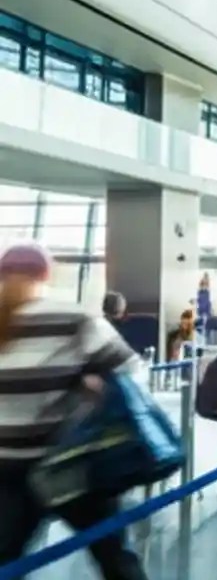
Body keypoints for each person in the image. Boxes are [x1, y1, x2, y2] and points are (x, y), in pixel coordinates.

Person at [0, 243, 148, 580]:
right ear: (46, 273)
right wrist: (90, 386)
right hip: (65, 464)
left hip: (5, 469)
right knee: (115, 558)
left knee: (6, 560)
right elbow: (132, 370)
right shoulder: (71, 317)